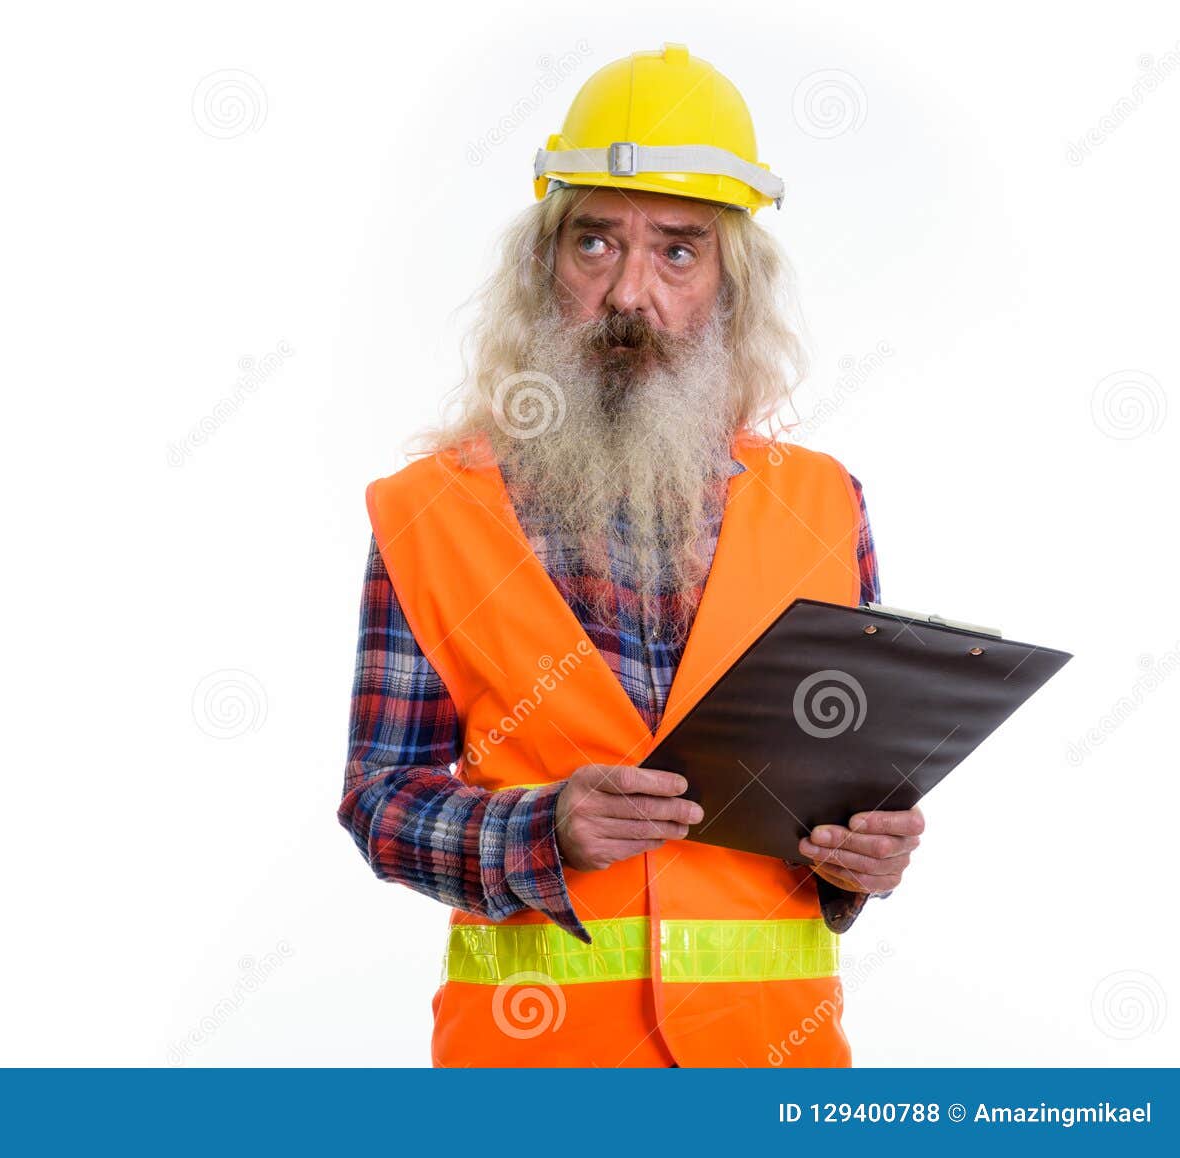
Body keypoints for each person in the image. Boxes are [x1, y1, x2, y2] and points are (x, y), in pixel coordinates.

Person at [338, 45, 923, 1068]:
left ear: (731, 288)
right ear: (543, 268)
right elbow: (380, 796)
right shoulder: (427, 512)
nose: (628, 293)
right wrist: (540, 831)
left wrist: (861, 855)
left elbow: (848, 790)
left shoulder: (824, 504)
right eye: (595, 244)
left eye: (678, 253)